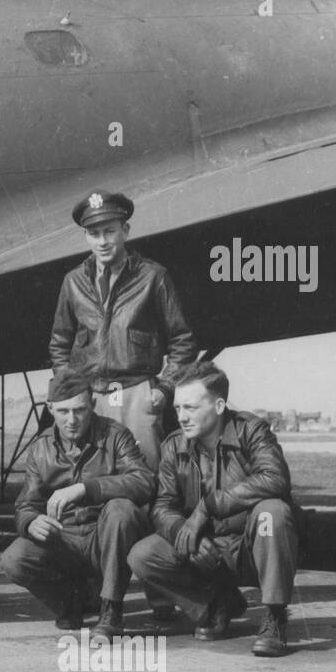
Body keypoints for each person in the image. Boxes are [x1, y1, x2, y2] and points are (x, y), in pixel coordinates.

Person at [127, 361, 300, 657]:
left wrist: (208, 506)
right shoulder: (173, 446)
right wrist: (183, 532)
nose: (181, 417)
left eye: (191, 408)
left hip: (250, 543)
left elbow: (275, 478)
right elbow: (163, 505)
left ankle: (274, 615)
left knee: (273, 513)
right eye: (178, 408)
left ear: (219, 406)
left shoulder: (251, 430)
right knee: (142, 555)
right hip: (207, 549)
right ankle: (217, 602)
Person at [0, 370, 154, 640]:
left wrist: (86, 488)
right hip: (64, 539)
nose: (71, 420)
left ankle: (111, 610)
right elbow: (26, 504)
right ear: (49, 408)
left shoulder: (116, 436)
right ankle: (70, 601)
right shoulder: (40, 448)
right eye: (63, 411)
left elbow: (144, 481)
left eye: (80, 410)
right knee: (14, 558)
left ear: (93, 404)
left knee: (122, 510)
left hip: (104, 537)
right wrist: (31, 521)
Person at [48, 189, 196, 471]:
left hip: (136, 392)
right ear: (85, 237)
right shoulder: (73, 282)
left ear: (125, 230)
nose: (102, 241)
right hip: (89, 396)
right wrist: (70, 389)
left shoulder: (153, 277)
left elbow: (182, 340)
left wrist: (164, 388)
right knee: (92, 475)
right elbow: (59, 343)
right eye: (94, 233)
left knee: (146, 473)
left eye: (109, 231)